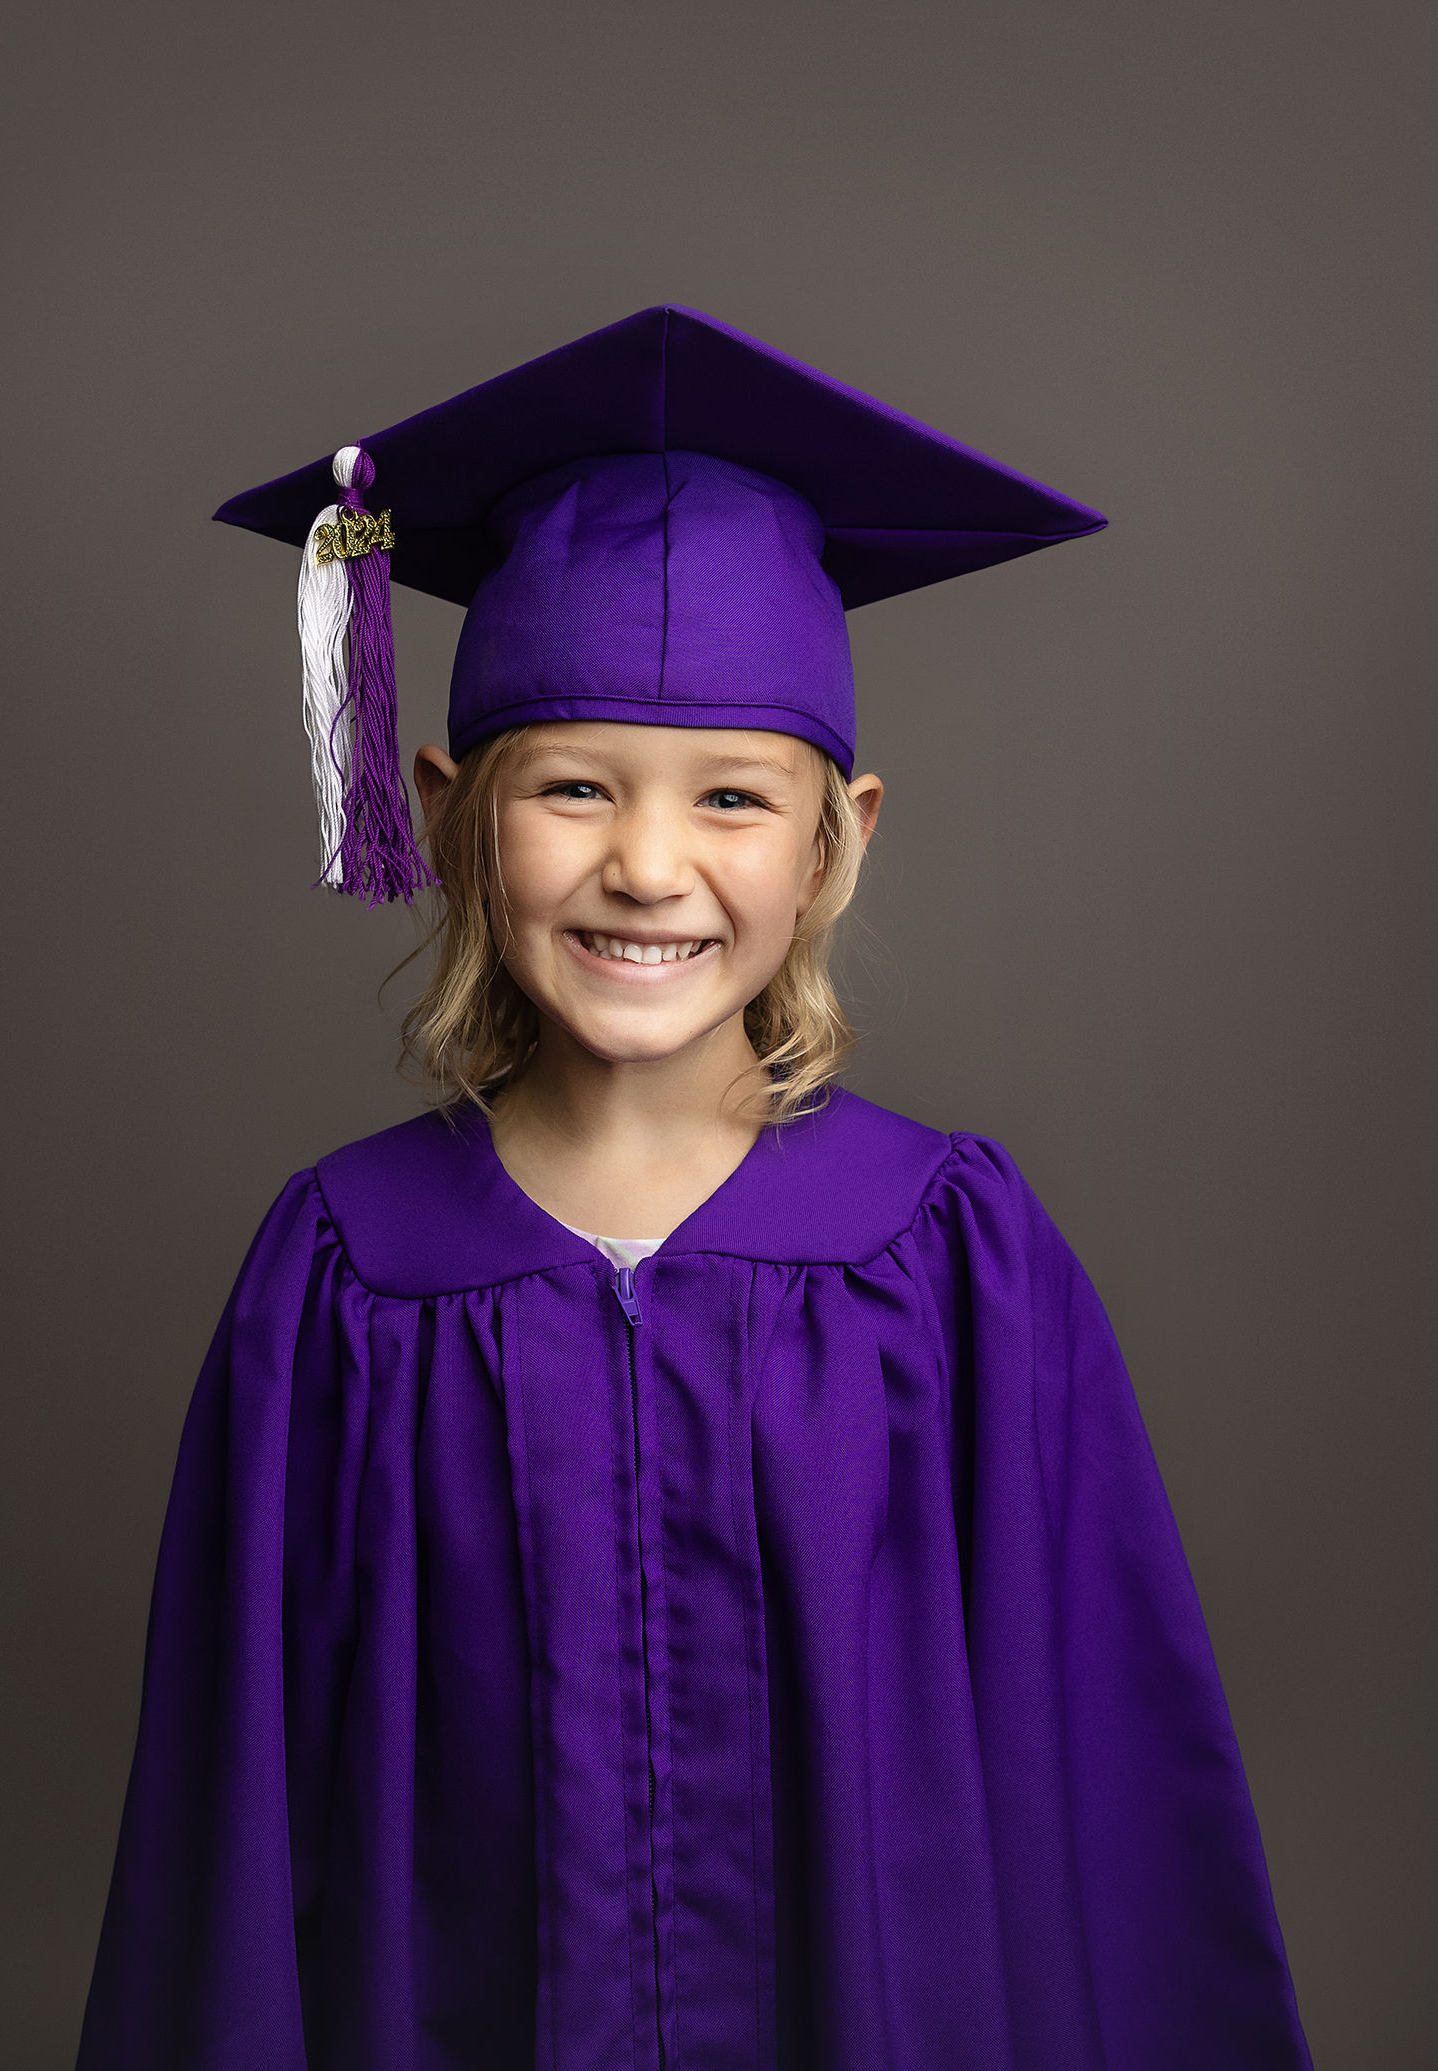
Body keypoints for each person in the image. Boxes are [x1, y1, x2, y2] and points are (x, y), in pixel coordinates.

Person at [75, 307, 1313, 2070]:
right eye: (572, 787)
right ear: (445, 813)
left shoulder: (952, 1255)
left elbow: (1095, 1770)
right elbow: (228, 1808)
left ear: (837, 841)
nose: (648, 866)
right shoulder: (346, 1274)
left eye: (732, 797)